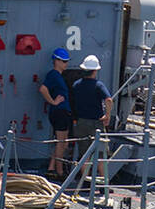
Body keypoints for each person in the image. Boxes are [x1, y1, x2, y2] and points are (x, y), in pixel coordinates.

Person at [70, 54, 113, 184]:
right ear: (95, 71)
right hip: (96, 124)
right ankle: (103, 185)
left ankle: (85, 182)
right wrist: (107, 115)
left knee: (84, 155)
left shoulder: (76, 85)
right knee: (100, 155)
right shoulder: (98, 85)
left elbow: (73, 102)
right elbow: (109, 100)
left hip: (81, 122)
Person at [39, 48, 72, 177]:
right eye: (63, 61)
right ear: (56, 61)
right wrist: (53, 102)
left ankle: (52, 167)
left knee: (63, 142)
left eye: (66, 61)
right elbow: (43, 89)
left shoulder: (57, 76)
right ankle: (60, 172)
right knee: (61, 142)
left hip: (61, 112)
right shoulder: (53, 75)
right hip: (60, 112)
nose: (66, 64)